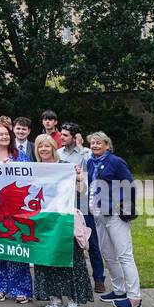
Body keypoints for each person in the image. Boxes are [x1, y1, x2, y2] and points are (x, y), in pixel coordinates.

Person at [31, 135, 94, 307]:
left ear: (52, 147)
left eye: (46, 146)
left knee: (69, 258)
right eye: (40, 146)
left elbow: (82, 191)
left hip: (64, 219)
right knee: (47, 258)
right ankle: (55, 298)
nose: (43, 149)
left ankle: (73, 301)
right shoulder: (34, 169)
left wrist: (79, 177)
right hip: (43, 220)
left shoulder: (66, 166)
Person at [86, 131, 143, 307]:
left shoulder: (116, 162)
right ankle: (119, 291)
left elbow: (130, 184)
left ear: (107, 145)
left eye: (98, 143)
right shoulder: (90, 162)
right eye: (92, 143)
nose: (94, 145)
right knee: (108, 254)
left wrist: (125, 205)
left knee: (124, 254)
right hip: (98, 213)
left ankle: (135, 298)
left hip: (116, 214)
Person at [0, 118, 32, 303]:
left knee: (17, 250)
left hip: (15, 210)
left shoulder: (20, 155)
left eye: (6, 134)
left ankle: (20, 289)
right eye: (0, 134)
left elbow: (31, 178)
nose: (3, 136)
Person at [58, 122, 105, 295]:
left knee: (90, 239)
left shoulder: (86, 155)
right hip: (64, 200)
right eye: (61, 135)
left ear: (75, 137)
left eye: (65, 135)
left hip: (82, 201)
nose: (61, 138)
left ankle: (99, 278)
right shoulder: (58, 153)